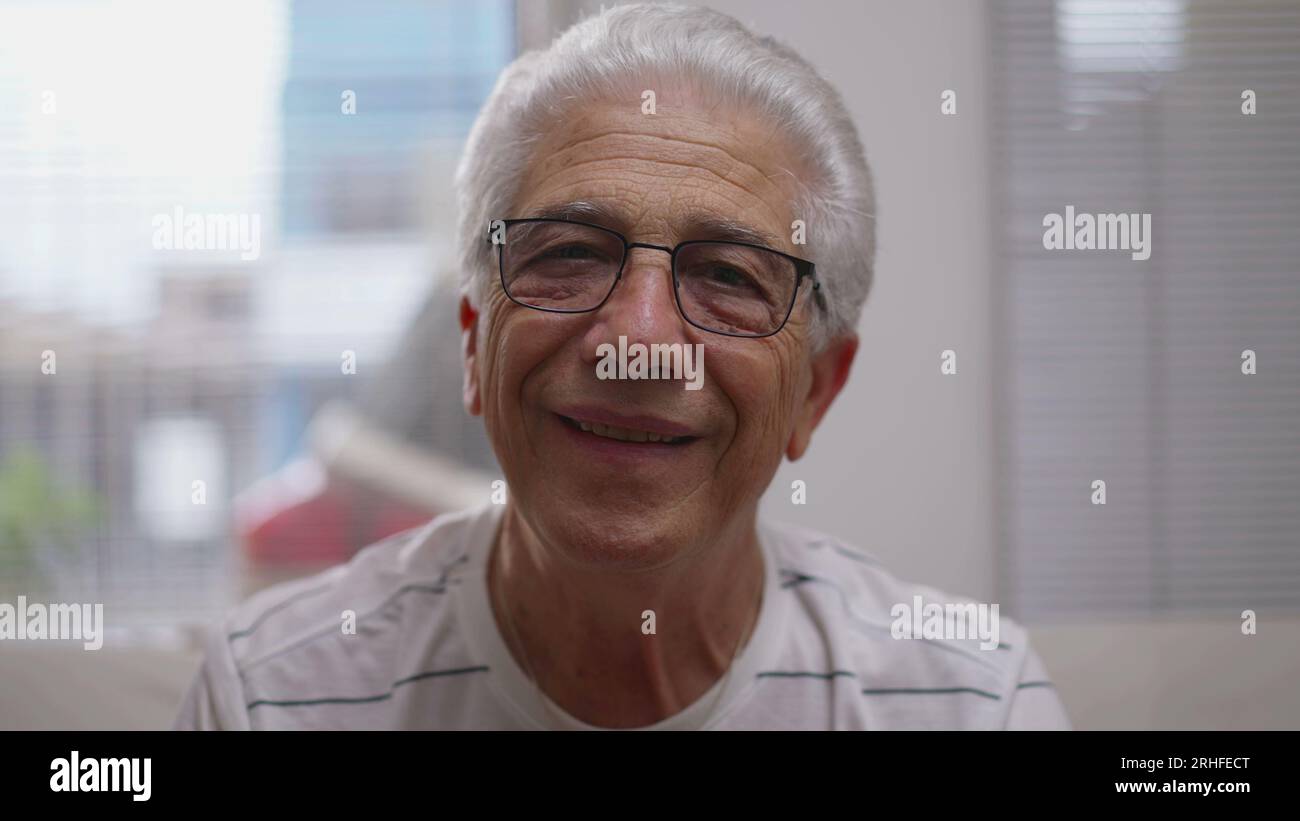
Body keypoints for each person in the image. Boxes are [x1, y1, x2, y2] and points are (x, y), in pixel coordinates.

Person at [174, 2, 1070, 730]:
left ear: (816, 389)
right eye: (568, 252)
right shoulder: (267, 697)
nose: (635, 342)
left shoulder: (974, 702)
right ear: (475, 345)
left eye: (727, 275)